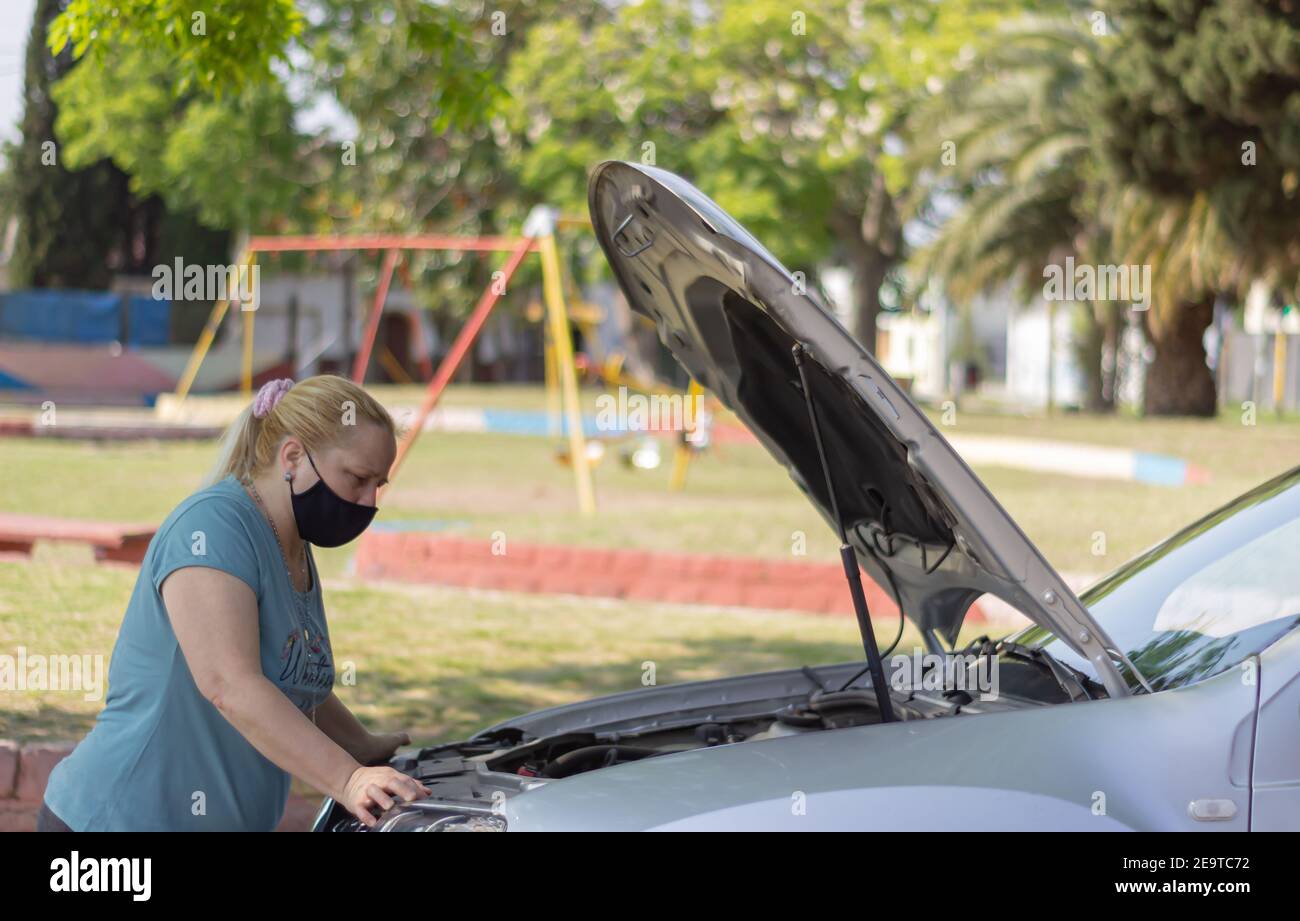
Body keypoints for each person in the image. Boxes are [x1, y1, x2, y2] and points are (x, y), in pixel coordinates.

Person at [40, 375, 429, 830]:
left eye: (378, 485)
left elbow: (291, 679)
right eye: (358, 479)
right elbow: (231, 684)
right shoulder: (212, 528)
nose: (369, 503)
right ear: (293, 457)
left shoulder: (292, 545)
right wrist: (347, 778)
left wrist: (360, 746)